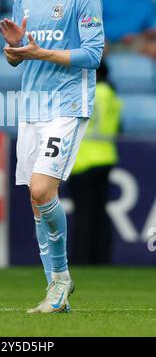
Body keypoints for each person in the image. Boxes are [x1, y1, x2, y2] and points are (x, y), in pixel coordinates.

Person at [0, 0, 104, 313]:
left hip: (67, 104)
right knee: (36, 200)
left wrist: (38, 52)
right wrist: (15, 49)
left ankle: (61, 280)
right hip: (31, 107)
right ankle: (55, 289)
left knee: (43, 190)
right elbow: (18, 57)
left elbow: (93, 55)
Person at [69, 60, 122, 265]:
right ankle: (102, 258)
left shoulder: (90, 92)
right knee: (100, 212)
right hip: (106, 157)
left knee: (83, 214)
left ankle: (82, 258)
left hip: (84, 159)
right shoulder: (112, 94)